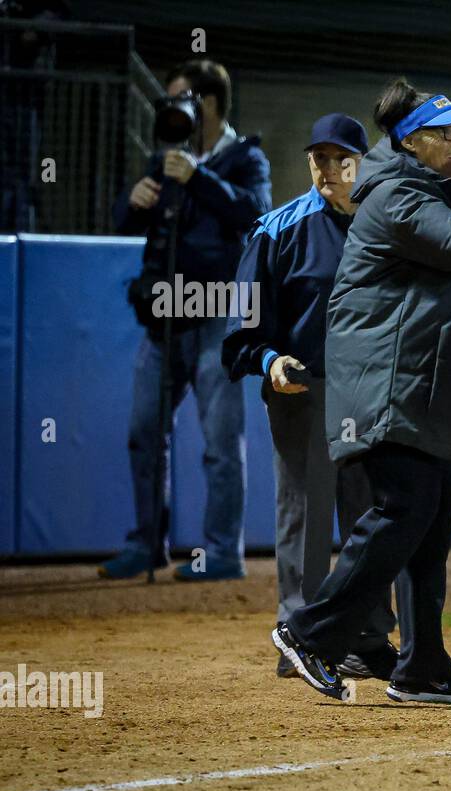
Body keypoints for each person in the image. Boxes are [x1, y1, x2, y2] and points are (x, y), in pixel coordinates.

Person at [272, 79, 451, 705]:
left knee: (427, 525)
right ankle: (310, 632)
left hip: (423, 392)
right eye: (449, 133)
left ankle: (421, 667)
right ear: (413, 140)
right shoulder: (396, 194)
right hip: (390, 389)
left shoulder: (423, 190)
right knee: (403, 511)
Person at [222, 113, 398, 682]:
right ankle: (297, 635)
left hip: (372, 394)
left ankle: (365, 638)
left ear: (362, 162)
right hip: (306, 390)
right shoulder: (275, 229)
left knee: (371, 517)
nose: (327, 167)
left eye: (339, 157)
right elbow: (242, 332)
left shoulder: (384, 221)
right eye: (317, 157)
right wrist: (271, 362)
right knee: (307, 514)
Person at [100, 59, 271, 582]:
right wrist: (132, 203)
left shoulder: (246, 157)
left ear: (210, 103)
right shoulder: (164, 159)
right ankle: (148, 543)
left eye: (181, 99)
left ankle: (222, 553)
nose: (171, 111)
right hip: (163, 315)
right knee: (142, 430)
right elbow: (124, 225)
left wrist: (198, 178)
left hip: (216, 310)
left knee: (221, 442)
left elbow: (256, 214)